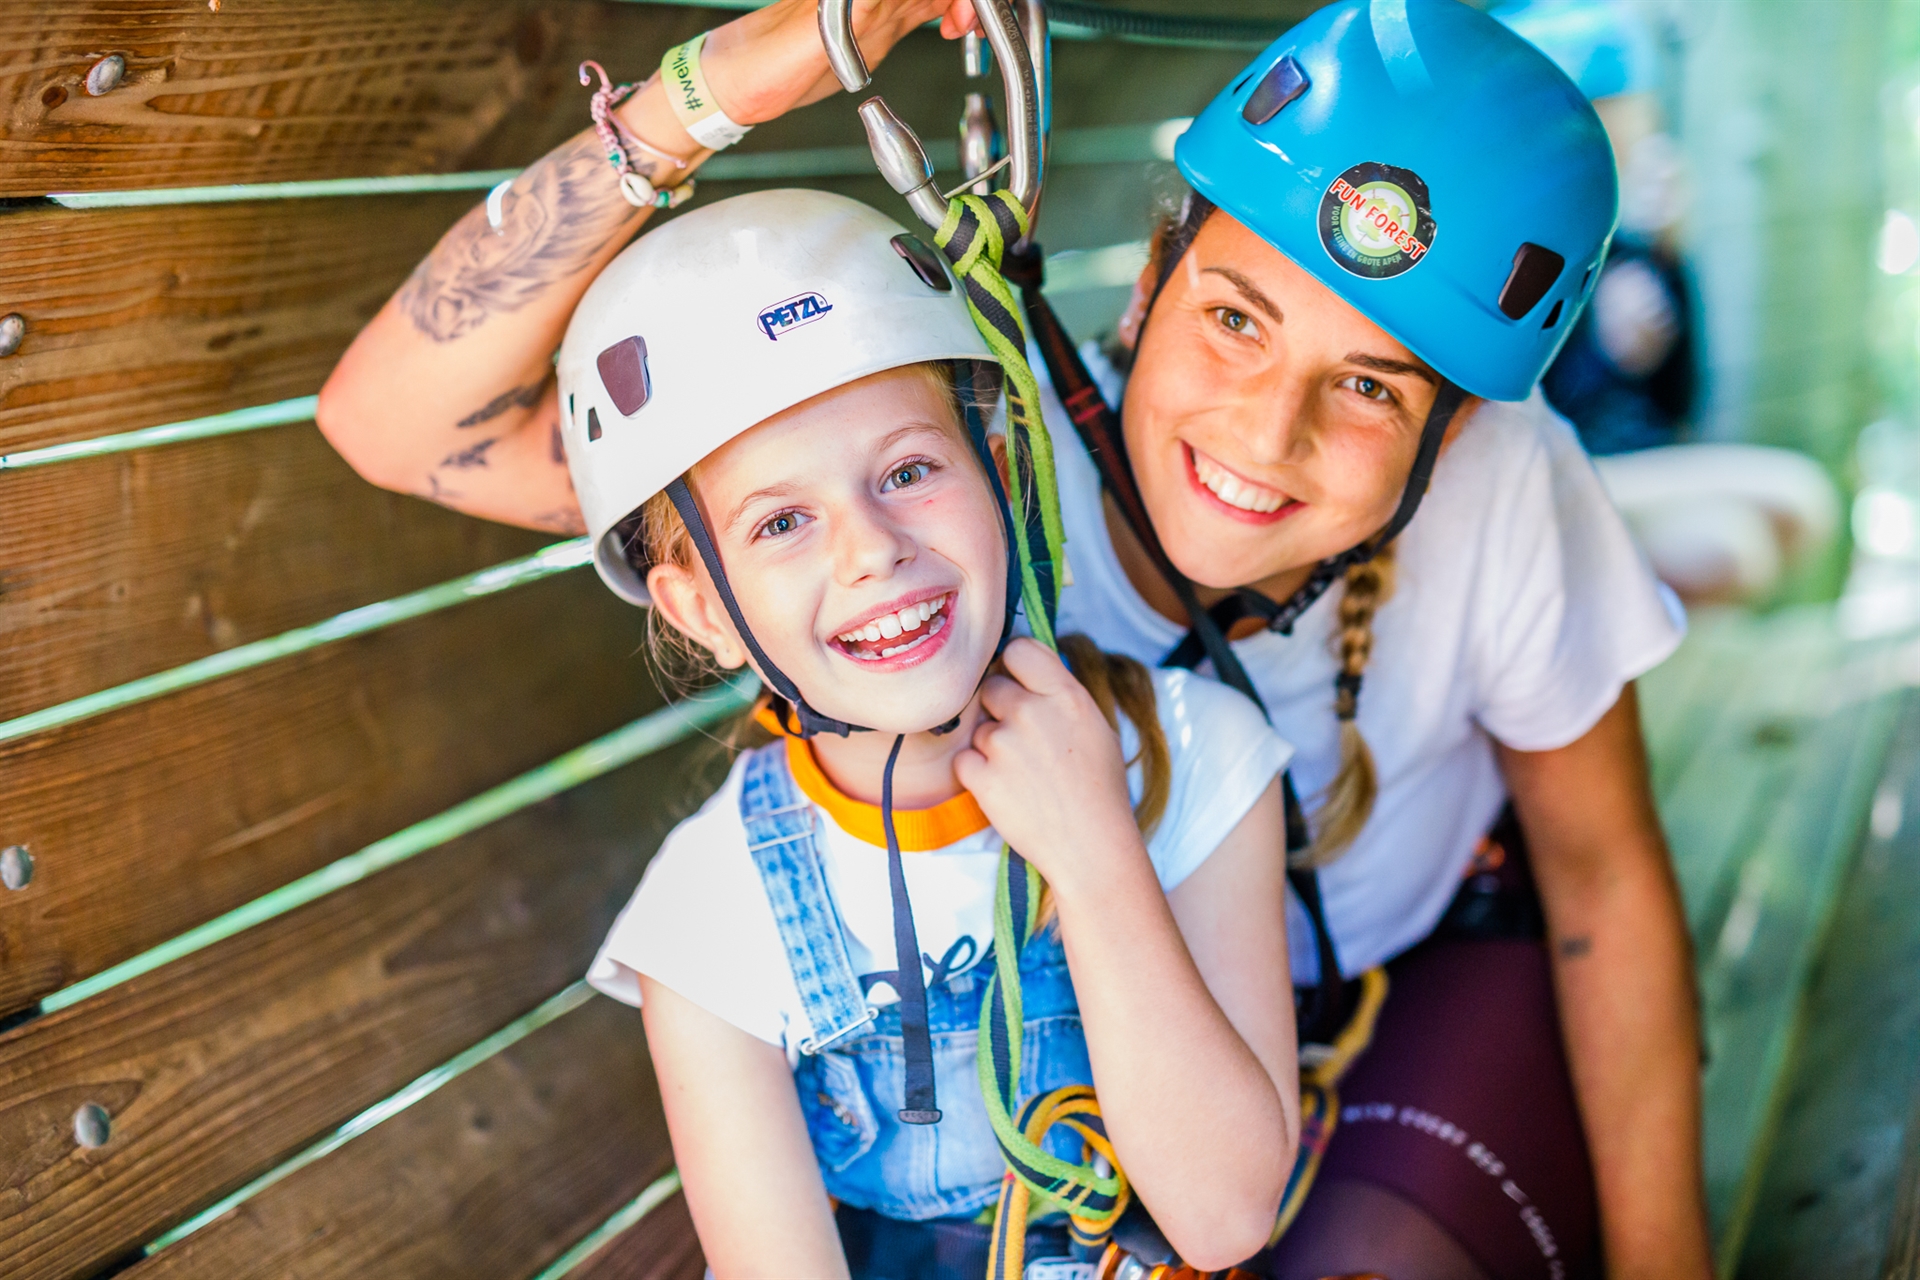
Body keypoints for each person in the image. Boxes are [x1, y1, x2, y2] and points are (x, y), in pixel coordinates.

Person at [315, 0, 1712, 1275]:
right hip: (1129, 1084)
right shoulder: (940, 471)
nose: (1263, 437)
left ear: (1455, 427)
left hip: (1412, 978)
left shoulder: (1505, 486)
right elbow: (391, 426)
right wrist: (741, 76)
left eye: (1368, 386)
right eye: (1233, 320)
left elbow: (1602, 880)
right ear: (1154, 276)